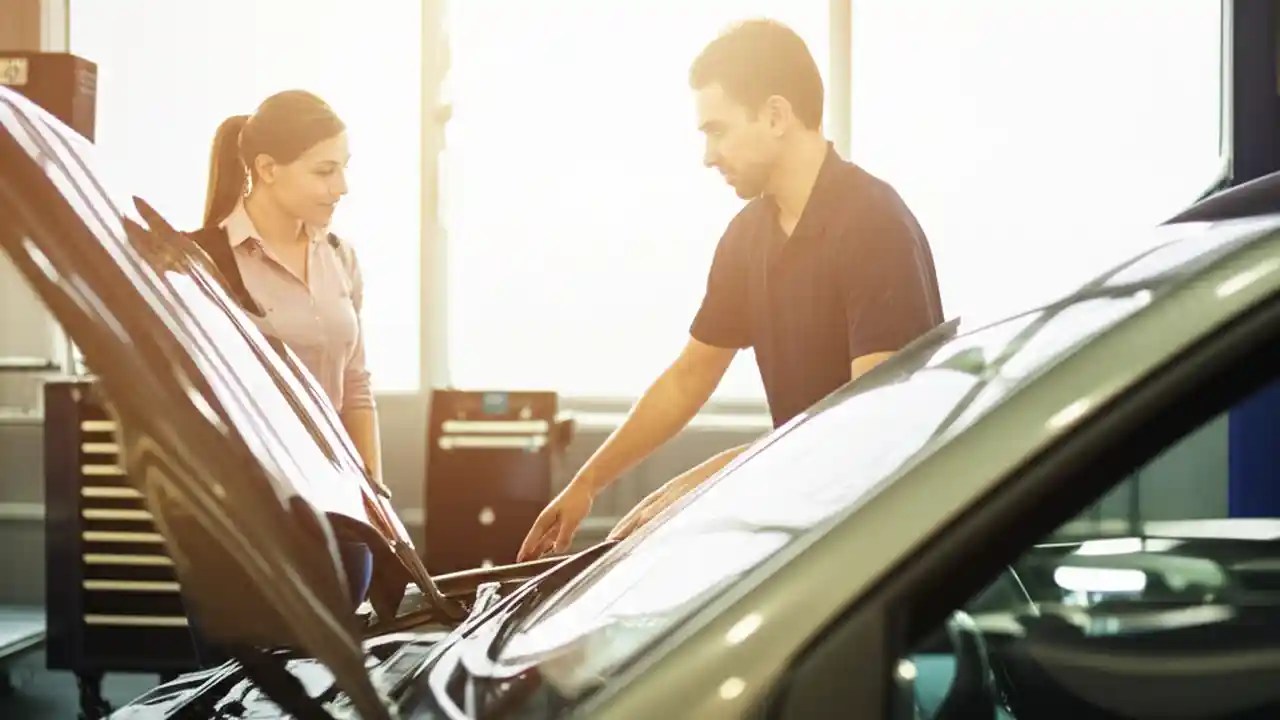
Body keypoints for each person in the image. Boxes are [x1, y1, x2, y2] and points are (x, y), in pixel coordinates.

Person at [517, 19, 944, 561]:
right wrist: (587, 483)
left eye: (716, 130)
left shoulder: (875, 225)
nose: (708, 155)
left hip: (880, 545)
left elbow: (863, 425)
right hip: (808, 528)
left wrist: (715, 478)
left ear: (775, 115)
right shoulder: (749, 237)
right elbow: (689, 377)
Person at [185, 89, 379, 663]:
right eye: (325, 170)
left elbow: (357, 385)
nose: (341, 186)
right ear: (267, 170)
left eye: (344, 168)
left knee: (325, 691)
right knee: (240, 697)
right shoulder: (199, 262)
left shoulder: (340, 256)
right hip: (240, 532)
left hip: (339, 526)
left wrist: (376, 500)